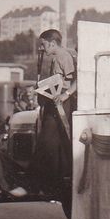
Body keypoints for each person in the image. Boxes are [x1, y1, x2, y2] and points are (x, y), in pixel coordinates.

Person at [26, 29, 77, 197]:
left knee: (47, 142)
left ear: (52, 43)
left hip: (60, 105)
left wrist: (65, 95)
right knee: (51, 144)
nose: (42, 48)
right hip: (55, 103)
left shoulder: (63, 56)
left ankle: (37, 183)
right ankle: (48, 183)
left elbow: (75, 80)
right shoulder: (58, 57)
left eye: (43, 44)